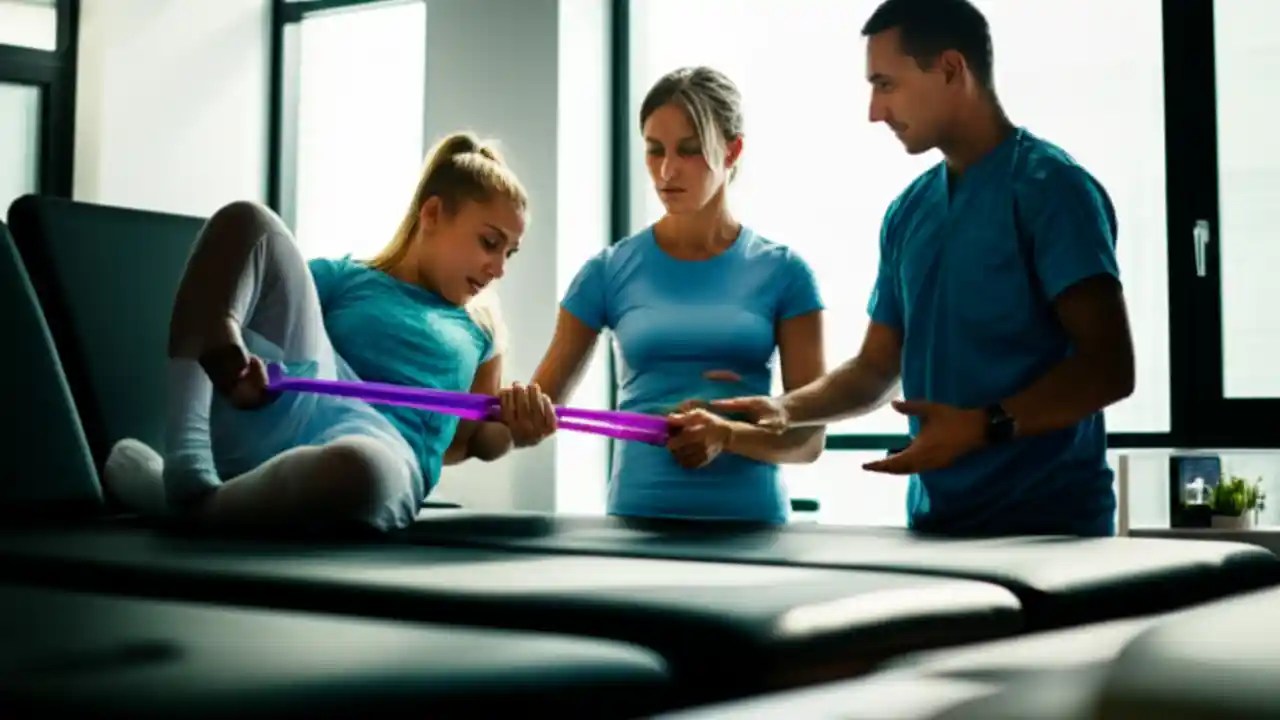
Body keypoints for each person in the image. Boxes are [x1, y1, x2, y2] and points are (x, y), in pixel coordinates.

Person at [712, 0, 1136, 537]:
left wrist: (984, 426)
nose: (874, 110)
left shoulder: (1054, 191)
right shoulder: (909, 212)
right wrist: (783, 410)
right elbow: (874, 370)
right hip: (935, 529)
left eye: (886, 84)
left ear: (951, 69)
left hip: (1051, 532)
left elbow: (1109, 368)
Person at [103, 131, 529, 536]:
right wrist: (251, 374)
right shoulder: (345, 278)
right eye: (490, 242)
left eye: (509, 252)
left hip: (384, 452)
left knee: (361, 471)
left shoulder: (481, 329)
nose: (500, 269)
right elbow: (280, 334)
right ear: (433, 214)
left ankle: (182, 505)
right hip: (298, 409)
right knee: (250, 221)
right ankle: (187, 465)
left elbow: (471, 443)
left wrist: (516, 427)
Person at [497, 66, 827, 525]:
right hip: (637, 521)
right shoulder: (607, 271)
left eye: (689, 151)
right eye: (654, 151)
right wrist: (520, 414)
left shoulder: (786, 273)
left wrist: (726, 436)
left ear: (733, 150)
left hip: (752, 528)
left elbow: (807, 441)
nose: (667, 171)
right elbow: (538, 417)